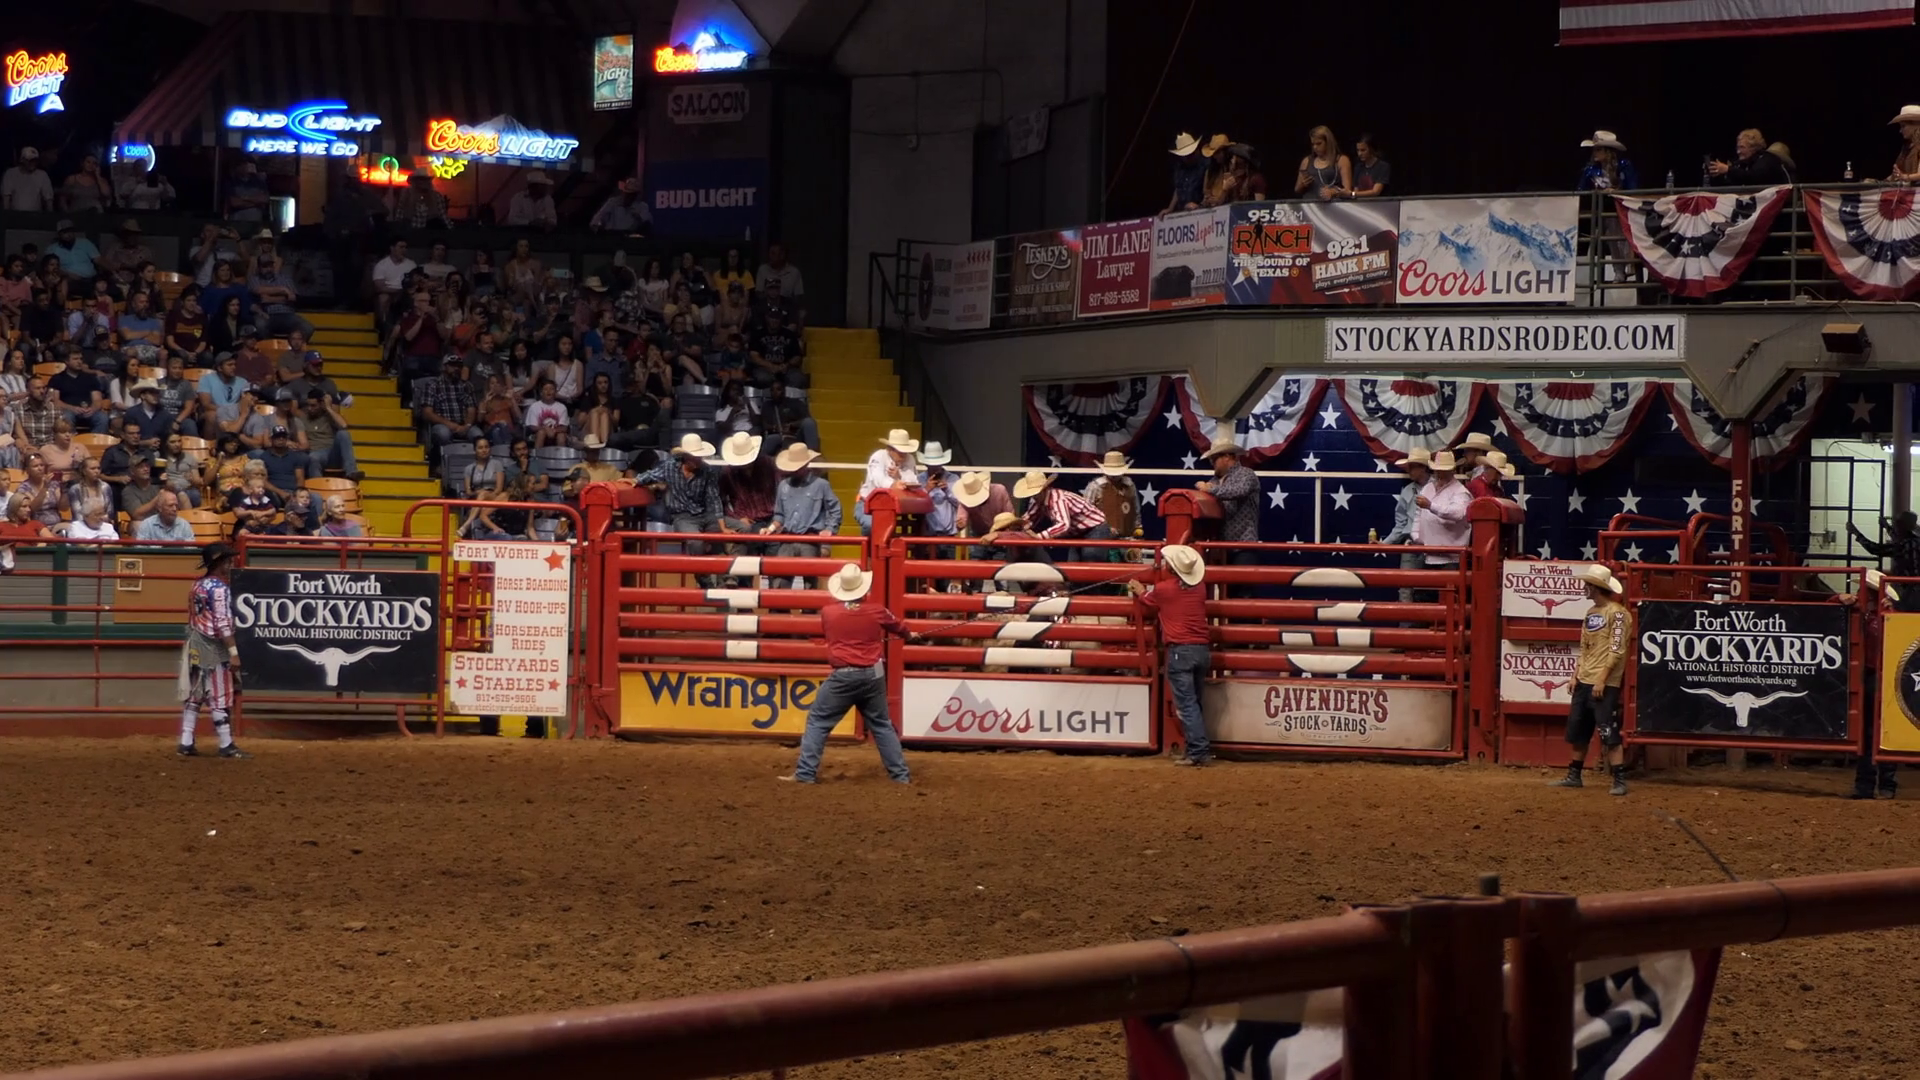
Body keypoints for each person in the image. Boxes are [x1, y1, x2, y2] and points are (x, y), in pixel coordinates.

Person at [779, 562, 916, 785]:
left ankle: (805, 773)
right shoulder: (877, 611)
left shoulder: (829, 612)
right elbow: (899, 627)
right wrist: (910, 635)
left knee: (818, 721)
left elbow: (833, 634)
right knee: (881, 724)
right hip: (873, 674)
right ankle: (900, 776)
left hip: (844, 675)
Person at [1548, 564, 1632, 796]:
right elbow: (1584, 647)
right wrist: (1575, 675)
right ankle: (1575, 775)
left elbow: (1617, 650)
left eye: (1587, 585)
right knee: (1579, 729)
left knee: (1608, 731)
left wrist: (1601, 679)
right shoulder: (1592, 613)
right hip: (1586, 679)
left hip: (1603, 682)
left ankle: (1619, 779)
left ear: (1595, 588)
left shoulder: (1618, 614)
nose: (1584, 588)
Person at [1130, 544, 1213, 766]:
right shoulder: (1200, 588)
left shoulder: (1164, 590)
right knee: (1194, 702)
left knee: (1187, 705)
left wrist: (1139, 590)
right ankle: (1196, 748)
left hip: (1180, 651)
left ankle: (1198, 751)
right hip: (1201, 650)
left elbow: (1148, 599)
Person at [178, 542, 250, 758]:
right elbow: (222, 623)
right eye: (228, 560)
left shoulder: (198, 585)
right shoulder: (219, 589)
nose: (231, 564)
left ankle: (186, 740)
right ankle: (226, 743)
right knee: (220, 694)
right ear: (220, 563)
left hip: (195, 642)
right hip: (213, 645)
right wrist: (234, 652)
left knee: (195, 693)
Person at [635, 433, 726, 564]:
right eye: (695, 457)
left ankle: (723, 570)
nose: (699, 460)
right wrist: (635, 480)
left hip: (704, 513)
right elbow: (650, 475)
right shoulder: (669, 467)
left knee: (739, 530)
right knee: (695, 541)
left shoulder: (707, 471)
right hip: (681, 516)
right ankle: (702, 572)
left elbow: (714, 498)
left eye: (699, 457)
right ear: (686, 456)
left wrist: (722, 525)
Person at [762, 444, 841, 588]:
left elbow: (835, 510)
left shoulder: (821, 485)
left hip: (810, 539)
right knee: (780, 580)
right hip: (787, 538)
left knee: (809, 583)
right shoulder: (783, 486)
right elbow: (779, 515)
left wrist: (829, 529)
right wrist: (771, 528)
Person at [1012, 469, 1110, 562]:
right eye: (1032, 494)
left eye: (1036, 494)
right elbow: (1029, 517)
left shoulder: (1058, 499)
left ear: (1044, 490)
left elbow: (1063, 525)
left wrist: (1039, 537)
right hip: (1078, 532)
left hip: (1096, 528)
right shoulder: (1038, 500)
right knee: (1073, 565)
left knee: (1090, 559)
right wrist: (1016, 526)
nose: (1034, 497)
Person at [1411, 450, 1471, 592]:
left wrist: (1431, 506)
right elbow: (1418, 514)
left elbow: (1457, 513)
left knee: (1448, 596)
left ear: (1452, 471)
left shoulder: (1461, 492)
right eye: (1438, 470)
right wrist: (1416, 537)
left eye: (1443, 470)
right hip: (1428, 554)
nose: (1440, 473)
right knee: (1423, 596)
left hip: (1450, 559)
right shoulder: (1428, 488)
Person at [1195, 435, 1259, 564]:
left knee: (1243, 576)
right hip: (1220, 548)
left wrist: (1210, 490)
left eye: (1214, 459)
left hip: (1243, 546)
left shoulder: (1246, 474)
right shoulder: (1214, 481)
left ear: (1227, 457)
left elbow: (1239, 491)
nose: (1212, 463)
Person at [717, 432, 776, 560]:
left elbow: (780, 490)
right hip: (748, 521)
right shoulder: (728, 472)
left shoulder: (768, 464)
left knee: (774, 559)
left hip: (771, 518)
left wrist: (778, 519)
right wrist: (737, 518)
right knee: (748, 561)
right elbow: (721, 500)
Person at [1385, 448, 1431, 604]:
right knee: (1405, 586)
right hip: (1411, 545)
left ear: (1423, 467)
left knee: (1429, 588)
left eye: (1412, 467)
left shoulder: (1438, 487)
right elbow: (1401, 523)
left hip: (1433, 546)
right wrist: (1385, 544)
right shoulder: (1407, 491)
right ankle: (1405, 617)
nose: (1409, 470)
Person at [1849, 512, 1920, 611]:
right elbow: (1898, 536)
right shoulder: (1915, 541)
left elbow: (1875, 549)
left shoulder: (1903, 545)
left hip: (1909, 590)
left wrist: (1856, 533)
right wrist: (1886, 526)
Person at [856, 428, 922, 534]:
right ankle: (869, 544)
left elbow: (913, 480)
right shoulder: (878, 457)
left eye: (905, 451)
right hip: (868, 504)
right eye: (900, 451)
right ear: (890, 449)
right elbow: (878, 478)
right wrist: (893, 484)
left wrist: (899, 476)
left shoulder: (909, 459)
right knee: (871, 525)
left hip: (895, 506)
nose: (903, 454)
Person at [1081, 451, 1142, 552]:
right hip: (1100, 538)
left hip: (1127, 537)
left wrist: (1137, 528)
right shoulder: (1095, 486)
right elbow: (1085, 513)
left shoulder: (1130, 485)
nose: (1114, 476)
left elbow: (1135, 510)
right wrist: (1104, 528)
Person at [1708, 129, 1790, 187]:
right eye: (1737, 148)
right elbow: (1730, 185)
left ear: (1754, 148)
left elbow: (1754, 177)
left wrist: (1728, 170)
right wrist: (1718, 176)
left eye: (1742, 147)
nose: (1738, 152)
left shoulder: (1767, 159)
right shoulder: (1741, 164)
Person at [1295, 126, 1352, 201]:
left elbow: (1347, 190)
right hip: (1310, 205)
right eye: (1313, 144)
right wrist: (1302, 184)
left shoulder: (1341, 160)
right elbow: (1297, 189)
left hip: (1334, 205)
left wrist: (1333, 192)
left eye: (1319, 144)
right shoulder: (1307, 161)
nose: (1315, 147)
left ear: (1328, 142)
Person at [1166, 132, 1206, 213]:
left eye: (1191, 154)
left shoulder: (1205, 166)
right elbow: (1178, 189)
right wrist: (1170, 208)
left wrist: (1201, 205)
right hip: (1183, 211)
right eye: (1186, 156)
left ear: (1197, 151)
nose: (1189, 158)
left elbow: (1208, 190)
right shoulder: (1180, 169)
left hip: (1202, 210)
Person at [1882, 105, 1920, 184]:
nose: (1900, 130)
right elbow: (1897, 173)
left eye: (1903, 126)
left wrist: (1905, 177)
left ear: (1915, 125)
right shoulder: (1907, 148)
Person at [1352, 134, 1391, 198]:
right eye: (1358, 150)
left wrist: (1352, 194)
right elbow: (1356, 189)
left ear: (1371, 149)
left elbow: (1376, 192)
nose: (1359, 154)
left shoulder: (1382, 166)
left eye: (1363, 150)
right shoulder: (1358, 167)